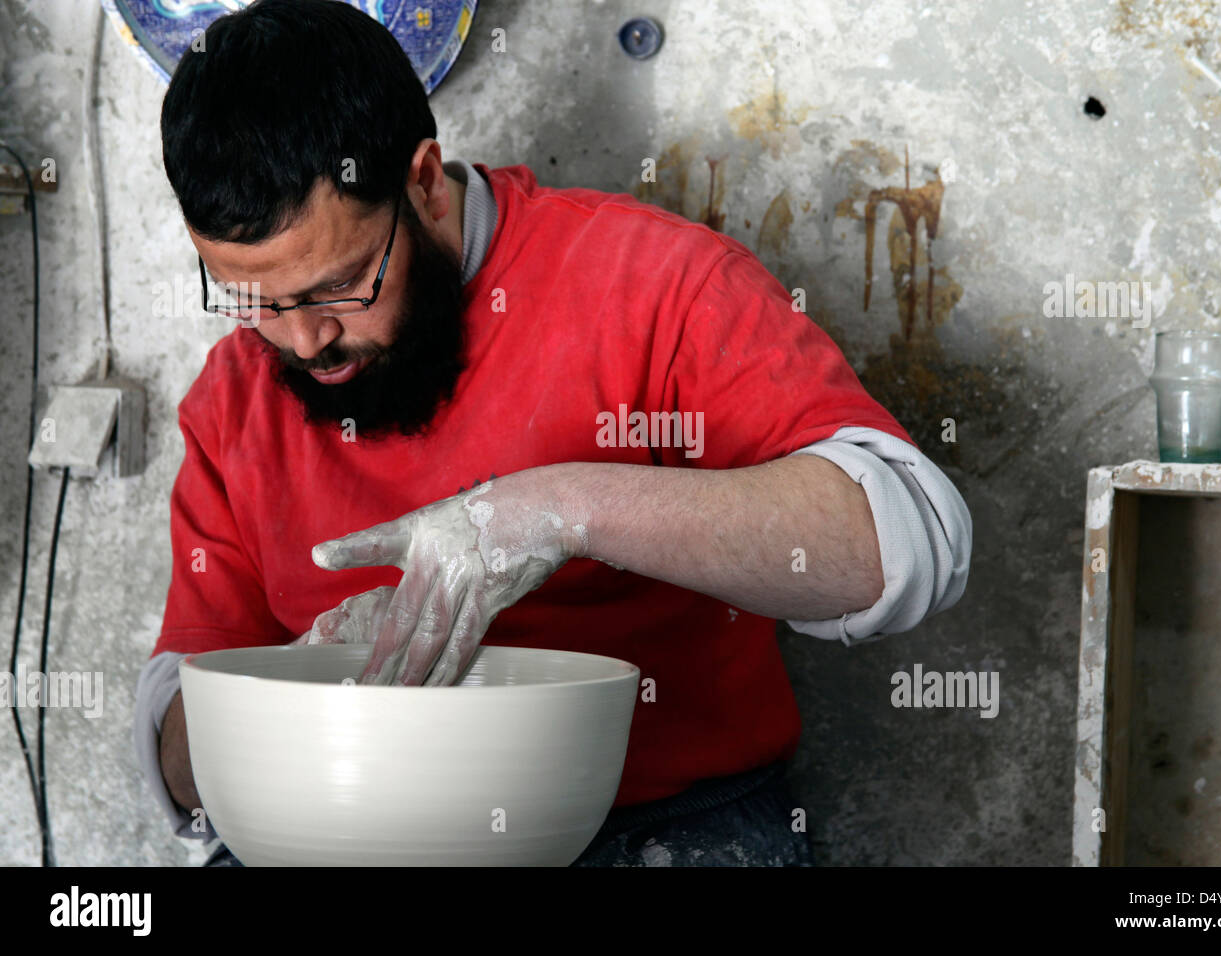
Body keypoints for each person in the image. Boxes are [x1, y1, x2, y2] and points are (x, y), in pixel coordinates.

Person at [133, 0, 972, 867]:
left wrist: (562, 509)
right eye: (253, 299)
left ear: (422, 181)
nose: (301, 341)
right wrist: (284, 697)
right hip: (343, 830)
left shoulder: (649, 283)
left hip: (656, 822)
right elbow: (175, 757)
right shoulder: (235, 396)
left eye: (337, 288)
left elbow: (908, 540)